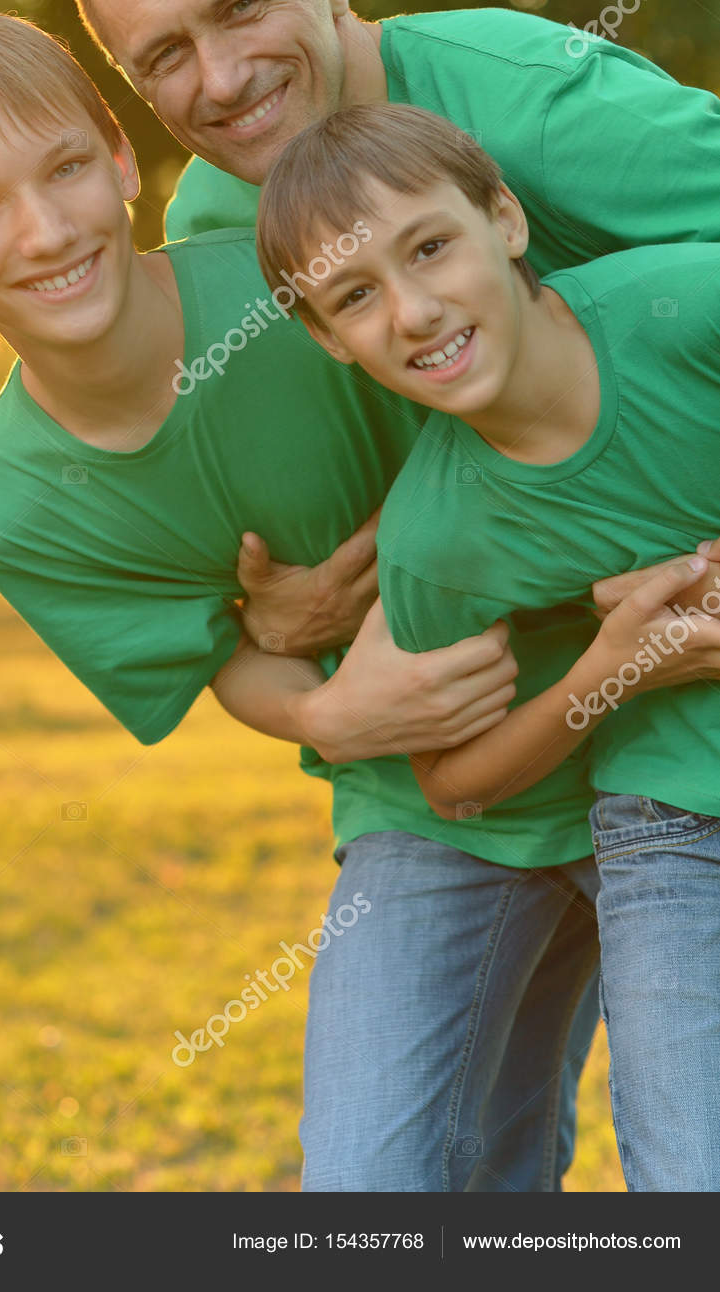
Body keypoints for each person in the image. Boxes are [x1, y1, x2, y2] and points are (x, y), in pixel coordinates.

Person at [0, 10, 686, 1193]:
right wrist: (321, 714)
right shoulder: (6, 499)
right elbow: (218, 652)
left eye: (59, 171)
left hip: (655, 743)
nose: (44, 231)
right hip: (435, 798)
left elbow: (525, 393)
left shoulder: (293, 280)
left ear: (115, 155)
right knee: (383, 1186)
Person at [255, 100, 720, 1190]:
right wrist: (616, 668)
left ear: (504, 217)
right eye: (355, 295)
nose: (414, 311)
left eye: (429, 247)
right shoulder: (437, 534)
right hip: (671, 810)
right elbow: (453, 779)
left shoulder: (684, 309)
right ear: (326, 337)